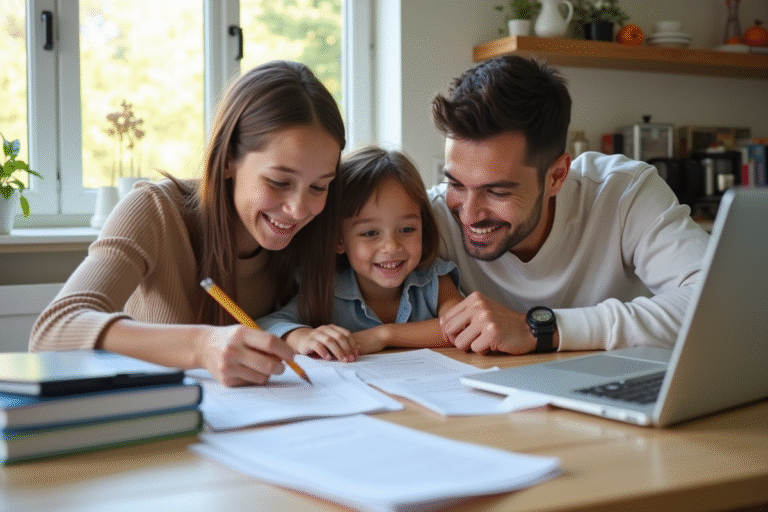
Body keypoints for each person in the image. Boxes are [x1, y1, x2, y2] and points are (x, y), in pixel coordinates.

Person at [30, 60, 346, 386]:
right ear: (226, 162)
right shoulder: (155, 210)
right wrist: (200, 345)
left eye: (319, 186)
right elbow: (54, 330)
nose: (298, 210)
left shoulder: (319, 229)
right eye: (279, 181)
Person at [429, 55, 710, 355]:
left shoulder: (623, 192)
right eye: (456, 184)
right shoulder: (431, 218)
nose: (469, 214)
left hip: (607, 390)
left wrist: (539, 329)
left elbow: (716, 304)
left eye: (497, 191)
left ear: (557, 175)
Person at [258, 146, 464, 361]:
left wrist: (384, 335)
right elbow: (266, 325)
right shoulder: (326, 288)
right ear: (339, 240)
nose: (392, 247)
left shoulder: (435, 280)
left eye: (407, 229)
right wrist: (302, 337)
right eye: (370, 233)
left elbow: (464, 327)